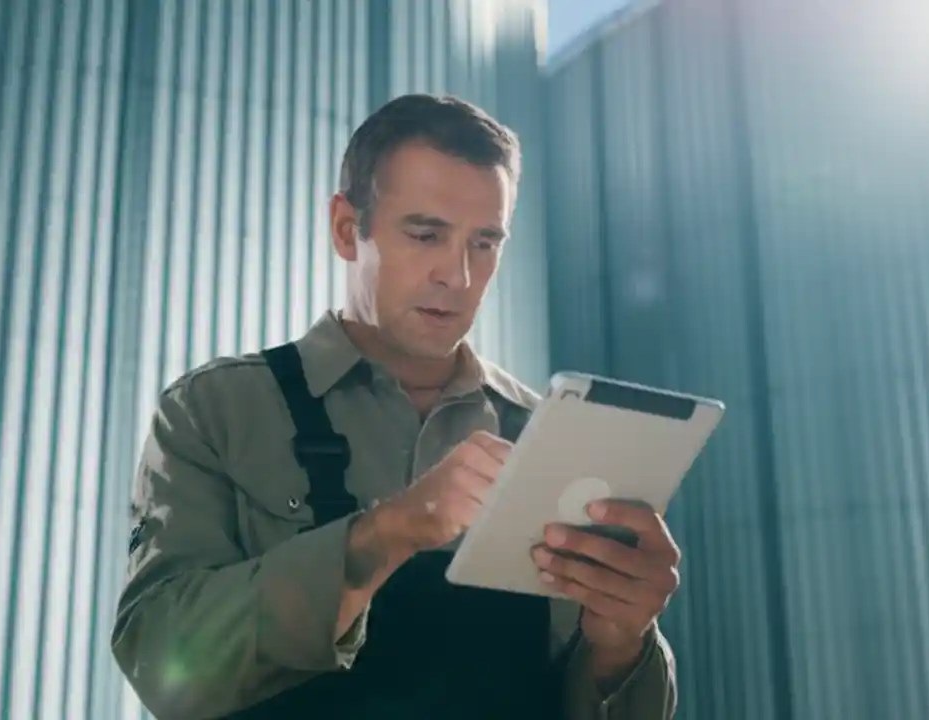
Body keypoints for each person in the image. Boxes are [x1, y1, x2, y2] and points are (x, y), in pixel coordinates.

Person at [111, 94, 681, 719]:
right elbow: (163, 660)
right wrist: (388, 533)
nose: (458, 277)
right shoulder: (215, 410)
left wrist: (623, 644)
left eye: (484, 243)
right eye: (426, 234)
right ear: (345, 229)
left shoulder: (544, 439)